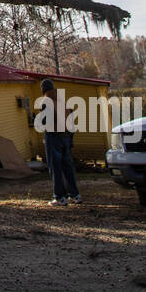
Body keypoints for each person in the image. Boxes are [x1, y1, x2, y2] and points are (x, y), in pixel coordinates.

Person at [40, 78, 81, 206]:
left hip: (53, 137)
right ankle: (75, 195)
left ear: (43, 89)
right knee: (67, 167)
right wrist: (70, 139)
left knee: (55, 167)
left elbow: (45, 121)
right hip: (66, 137)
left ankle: (59, 197)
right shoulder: (63, 100)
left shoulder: (46, 101)